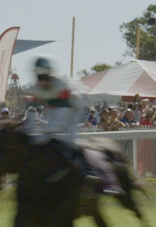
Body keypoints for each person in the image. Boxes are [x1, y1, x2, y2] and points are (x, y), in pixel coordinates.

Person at [24, 56, 108, 189]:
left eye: (45, 77)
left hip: (73, 106)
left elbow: (59, 121)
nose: (43, 81)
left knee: (70, 141)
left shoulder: (60, 84)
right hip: (56, 106)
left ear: (50, 75)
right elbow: (31, 112)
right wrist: (28, 131)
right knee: (43, 139)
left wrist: (45, 133)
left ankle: (88, 171)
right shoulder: (36, 88)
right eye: (40, 78)